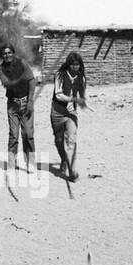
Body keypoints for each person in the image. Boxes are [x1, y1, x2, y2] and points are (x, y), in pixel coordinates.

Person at [0, 43, 36, 172]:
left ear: (13, 53)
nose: (7, 55)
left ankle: (30, 163)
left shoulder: (22, 63)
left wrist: (30, 101)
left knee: (28, 134)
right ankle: (12, 164)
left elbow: (32, 81)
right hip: (12, 105)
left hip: (26, 103)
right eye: (4, 53)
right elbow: (8, 83)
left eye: (9, 52)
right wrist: (23, 77)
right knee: (14, 135)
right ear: (2, 56)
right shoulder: (0, 69)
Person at [50, 52, 87, 181]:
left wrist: (82, 102)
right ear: (68, 64)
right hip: (57, 112)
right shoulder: (60, 75)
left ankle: (72, 172)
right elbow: (58, 94)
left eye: (77, 65)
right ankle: (64, 160)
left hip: (72, 113)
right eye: (73, 65)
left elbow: (82, 95)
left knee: (71, 141)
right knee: (59, 141)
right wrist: (74, 99)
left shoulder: (81, 77)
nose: (75, 67)